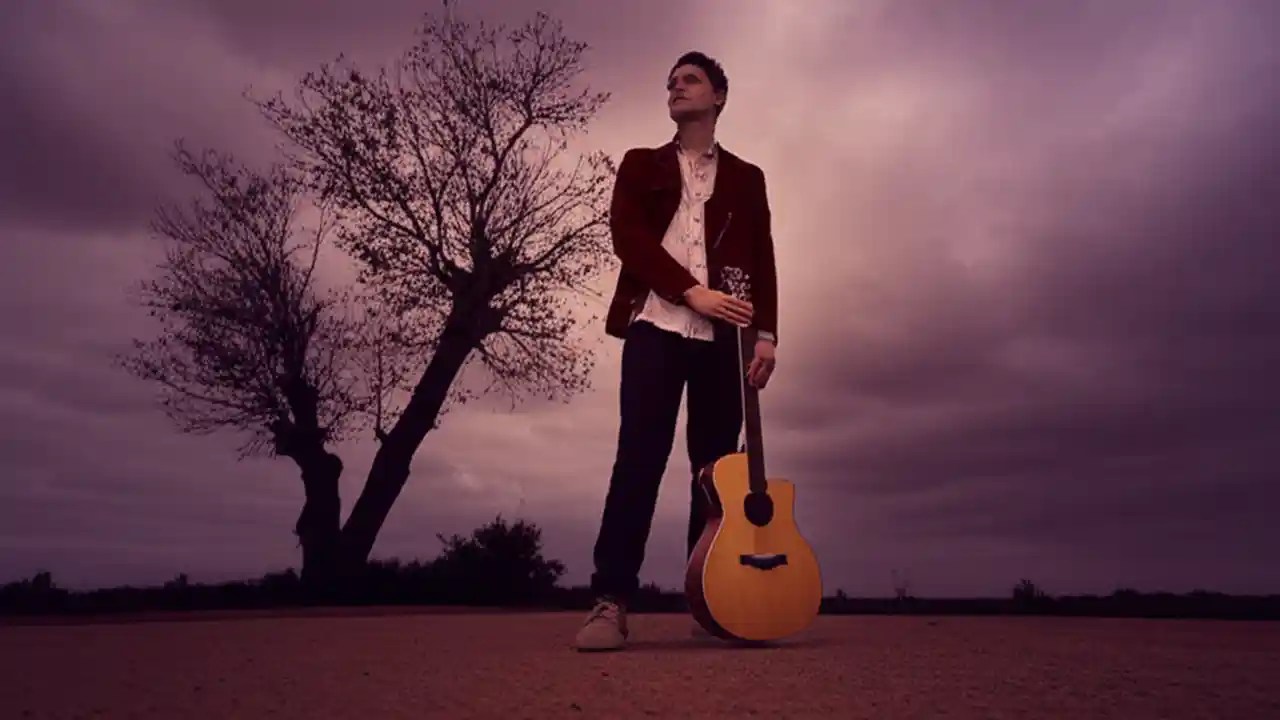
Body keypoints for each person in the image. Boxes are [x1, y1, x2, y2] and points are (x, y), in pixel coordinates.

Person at [574, 50, 780, 651]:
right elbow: (628, 239)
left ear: (718, 96)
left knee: (715, 472)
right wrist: (693, 293)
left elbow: (762, 256)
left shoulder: (748, 177)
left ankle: (712, 598)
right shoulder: (640, 165)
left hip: (725, 340)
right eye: (670, 82)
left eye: (689, 80)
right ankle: (610, 601)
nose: (676, 87)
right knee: (638, 457)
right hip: (656, 325)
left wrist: (765, 333)